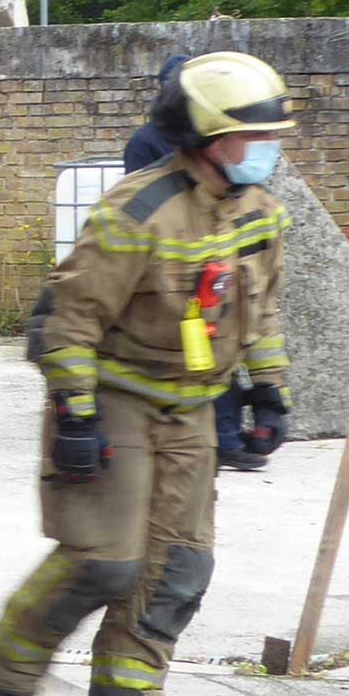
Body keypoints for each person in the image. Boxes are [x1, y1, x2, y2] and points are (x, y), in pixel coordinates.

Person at [0, 51, 294, 696]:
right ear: (215, 140)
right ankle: (12, 667)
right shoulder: (137, 212)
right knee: (107, 564)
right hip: (115, 396)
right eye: (260, 137)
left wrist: (271, 391)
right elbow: (68, 323)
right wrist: (78, 418)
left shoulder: (261, 214)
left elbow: (264, 311)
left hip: (192, 410)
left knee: (179, 567)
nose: (271, 151)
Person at [123, 56, 261, 472]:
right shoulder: (146, 143)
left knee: (222, 355)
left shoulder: (225, 140)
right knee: (191, 355)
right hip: (179, 276)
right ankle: (200, 442)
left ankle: (227, 440)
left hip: (219, 266)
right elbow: (147, 209)